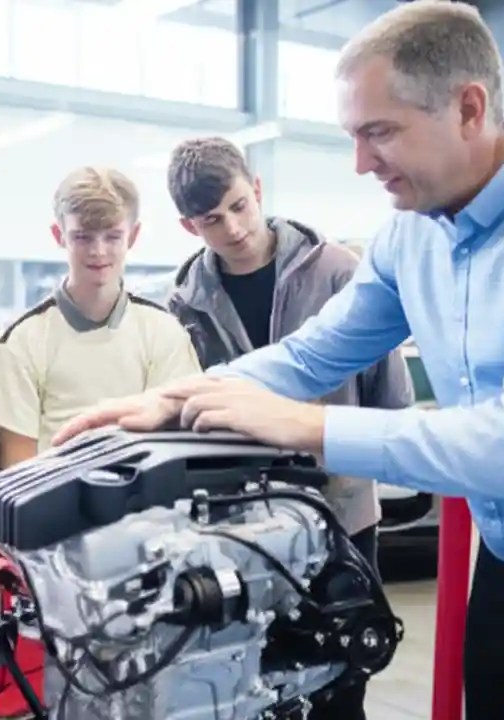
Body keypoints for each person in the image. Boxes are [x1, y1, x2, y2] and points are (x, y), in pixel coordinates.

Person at [54, 1, 504, 718]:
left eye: (379, 133)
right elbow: (313, 354)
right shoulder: (413, 233)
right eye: (353, 135)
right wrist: (180, 399)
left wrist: (305, 427)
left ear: (468, 108)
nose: (360, 162)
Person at [164, 136, 412, 719]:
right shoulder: (185, 306)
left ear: (256, 189)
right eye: (210, 219)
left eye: (237, 206)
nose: (231, 227)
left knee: (343, 676)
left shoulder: (337, 273)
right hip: (248, 528)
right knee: (256, 682)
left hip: (342, 518)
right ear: (187, 226)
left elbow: (390, 397)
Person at [0, 166, 201, 468]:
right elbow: (16, 469)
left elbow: (173, 447)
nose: (98, 251)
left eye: (112, 236)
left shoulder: (165, 333)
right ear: (59, 236)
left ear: (133, 236)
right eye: (83, 237)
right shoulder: (23, 339)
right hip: (47, 506)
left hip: (148, 508)